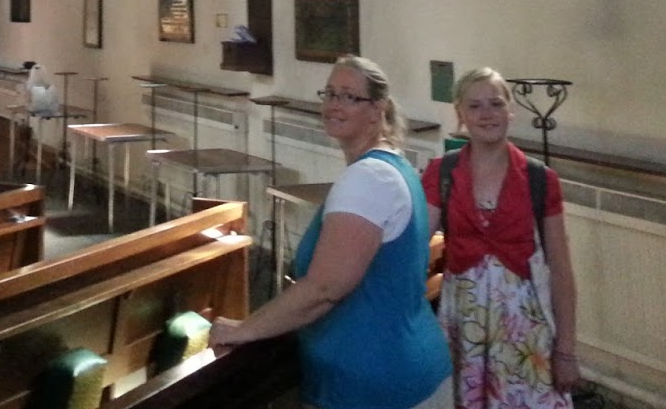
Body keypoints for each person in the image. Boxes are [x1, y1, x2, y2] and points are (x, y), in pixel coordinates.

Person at [210, 55, 450, 409]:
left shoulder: (369, 178)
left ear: (377, 110)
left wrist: (244, 330)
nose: (335, 105)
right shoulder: (392, 165)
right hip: (397, 371)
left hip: (380, 385)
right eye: (330, 93)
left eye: (349, 96)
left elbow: (325, 289)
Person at [422, 67, 580, 409]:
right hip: (463, 329)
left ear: (510, 110)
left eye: (495, 104)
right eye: (475, 106)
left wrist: (566, 350)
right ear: (460, 113)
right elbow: (415, 249)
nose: (487, 114)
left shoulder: (540, 179)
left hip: (526, 332)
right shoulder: (442, 173)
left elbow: (561, 271)